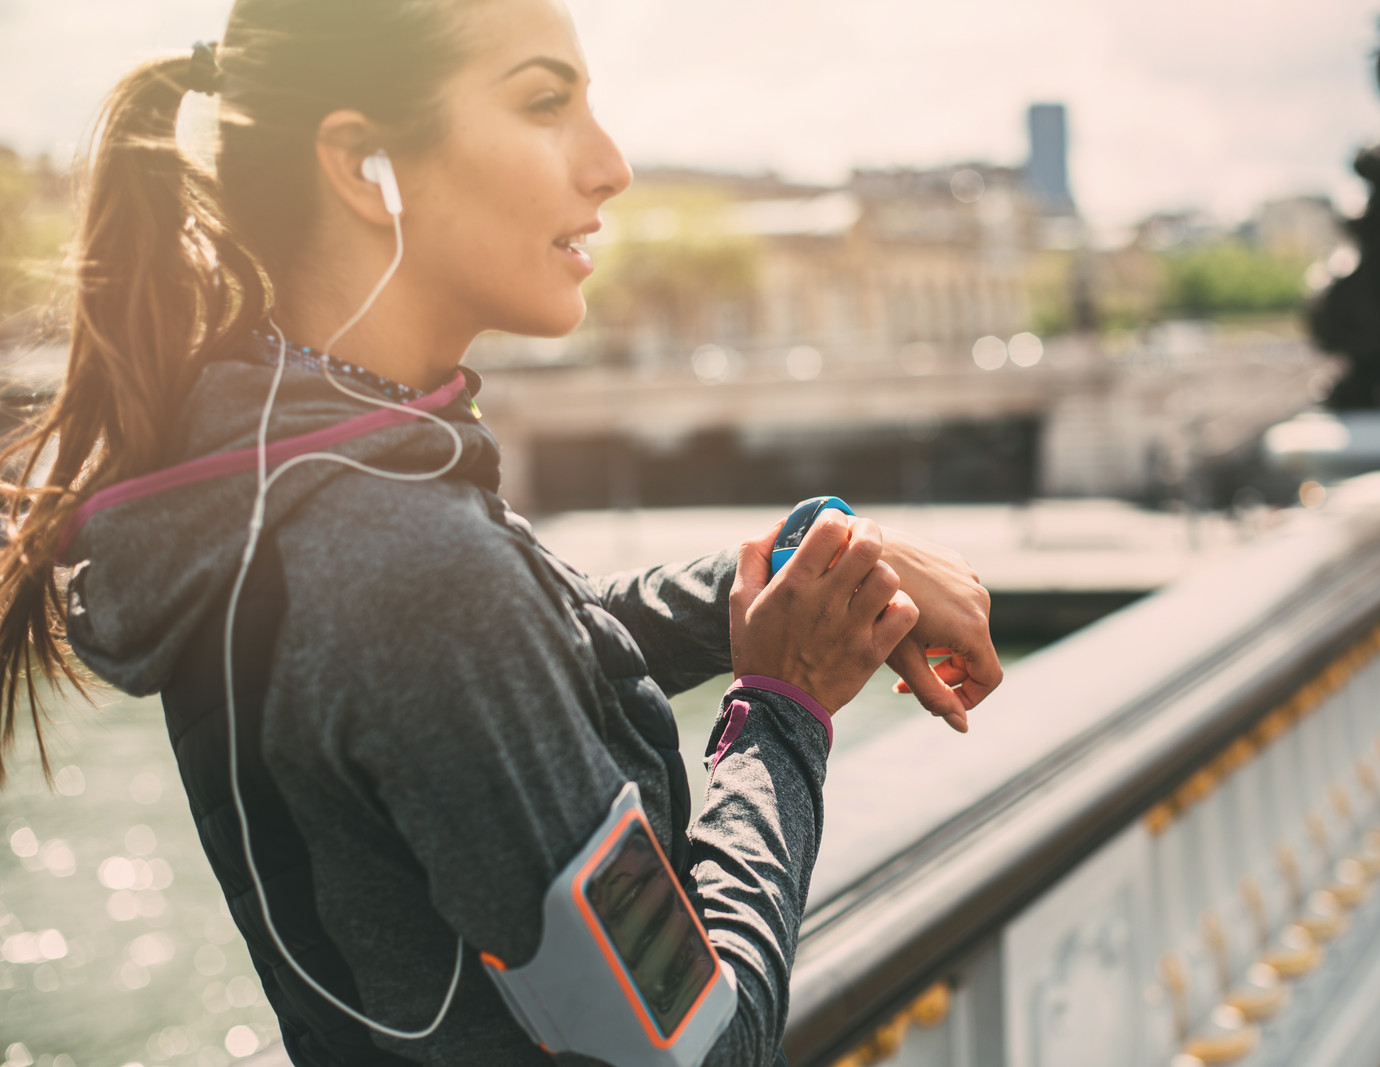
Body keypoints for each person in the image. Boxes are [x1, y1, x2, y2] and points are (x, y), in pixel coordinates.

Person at [0, 1, 1003, 1064]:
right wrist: (783, 709)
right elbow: (703, 1047)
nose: (611, 164)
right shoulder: (404, 559)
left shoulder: (280, 465)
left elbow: (530, 648)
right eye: (542, 102)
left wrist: (804, 573)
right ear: (360, 163)